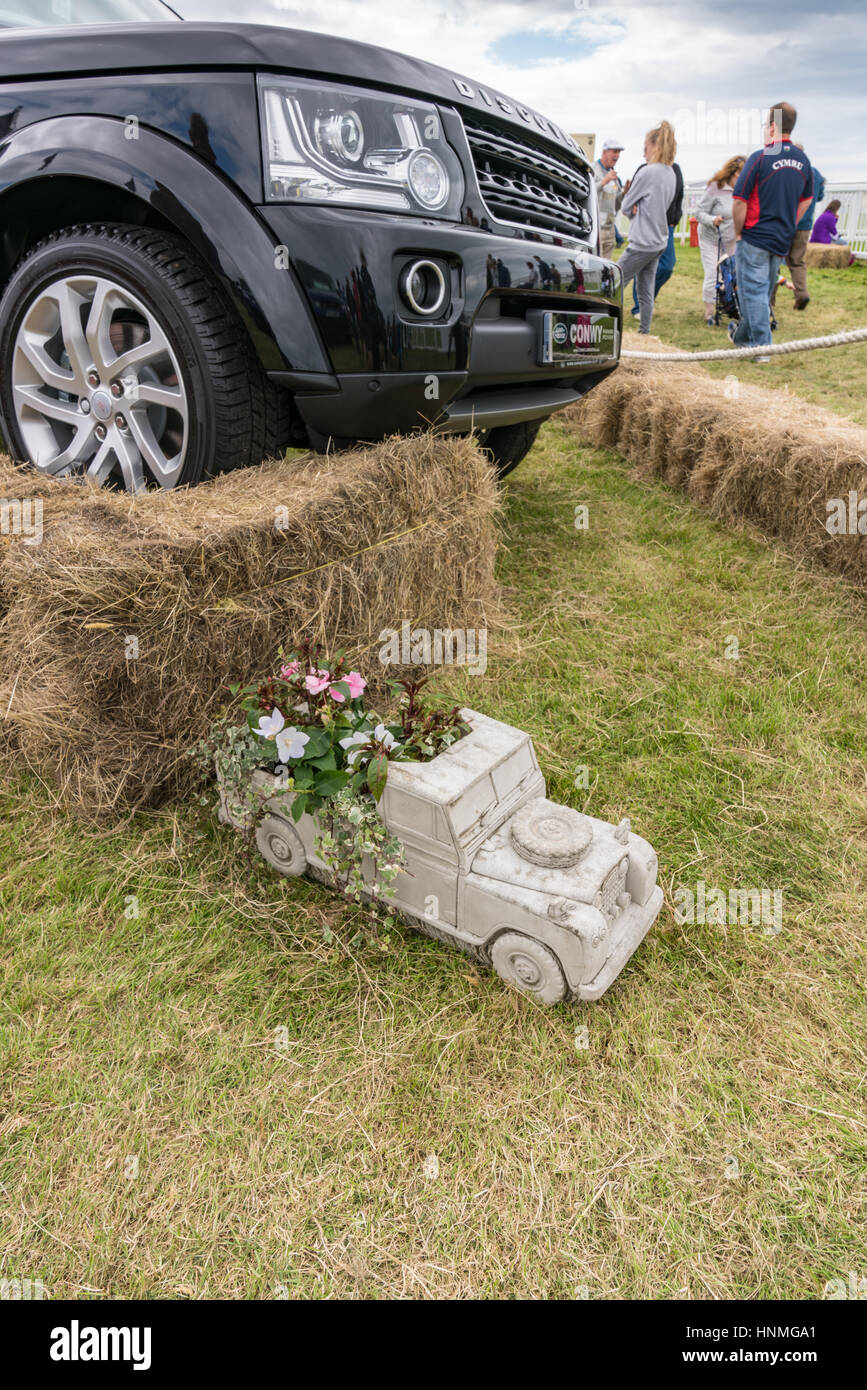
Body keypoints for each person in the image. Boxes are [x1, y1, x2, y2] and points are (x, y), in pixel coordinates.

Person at [730, 101, 813, 362]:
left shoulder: (761, 157)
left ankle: (763, 349)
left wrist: (739, 232)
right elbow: (807, 199)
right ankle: (742, 339)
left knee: (751, 293)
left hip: (755, 235)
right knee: (759, 293)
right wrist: (789, 222)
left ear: (774, 126)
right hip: (781, 238)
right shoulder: (802, 159)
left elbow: (739, 200)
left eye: (766, 124)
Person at [617, 121, 677, 335]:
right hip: (659, 239)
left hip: (642, 241)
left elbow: (625, 206)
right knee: (646, 289)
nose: (644, 154)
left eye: (645, 149)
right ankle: (644, 332)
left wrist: (634, 210)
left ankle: (605, 327)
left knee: (614, 282)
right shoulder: (671, 173)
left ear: (654, 146)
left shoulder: (647, 172)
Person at [629, 149, 684, 318]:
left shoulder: (675, 169)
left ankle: (646, 298)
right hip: (647, 224)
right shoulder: (644, 169)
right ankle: (639, 307)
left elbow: (679, 196)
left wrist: (675, 218)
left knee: (667, 266)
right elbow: (634, 195)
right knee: (644, 265)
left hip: (667, 226)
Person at [771, 142, 823, 311]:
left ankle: (769, 298)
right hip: (805, 224)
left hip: (783, 222)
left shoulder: (785, 170)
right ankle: (802, 294)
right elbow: (819, 196)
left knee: (774, 260)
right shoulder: (815, 173)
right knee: (797, 262)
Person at [695, 155, 745, 325]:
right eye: (740, 174)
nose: (742, 178)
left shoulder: (745, 190)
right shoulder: (715, 188)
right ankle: (709, 311)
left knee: (730, 276)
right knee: (712, 273)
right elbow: (699, 213)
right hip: (711, 238)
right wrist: (712, 220)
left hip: (731, 240)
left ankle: (732, 307)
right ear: (731, 173)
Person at [593, 139, 624, 259]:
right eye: (615, 151)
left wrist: (624, 193)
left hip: (609, 227)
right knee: (595, 263)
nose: (617, 155)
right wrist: (604, 181)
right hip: (597, 227)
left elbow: (616, 205)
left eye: (619, 153)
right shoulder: (593, 169)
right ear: (604, 152)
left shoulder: (614, 176)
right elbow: (588, 193)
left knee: (606, 266)